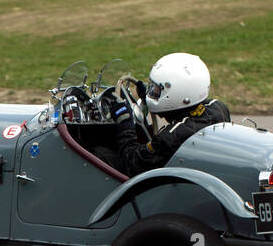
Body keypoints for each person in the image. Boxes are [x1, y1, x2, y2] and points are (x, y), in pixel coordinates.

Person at [93, 52, 229, 176]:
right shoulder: (218, 108)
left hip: (165, 187)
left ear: (177, 92)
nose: (152, 93)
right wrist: (149, 95)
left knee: (100, 153)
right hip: (200, 173)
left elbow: (132, 163)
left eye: (157, 90)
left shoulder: (169, 138)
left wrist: (125, 123)